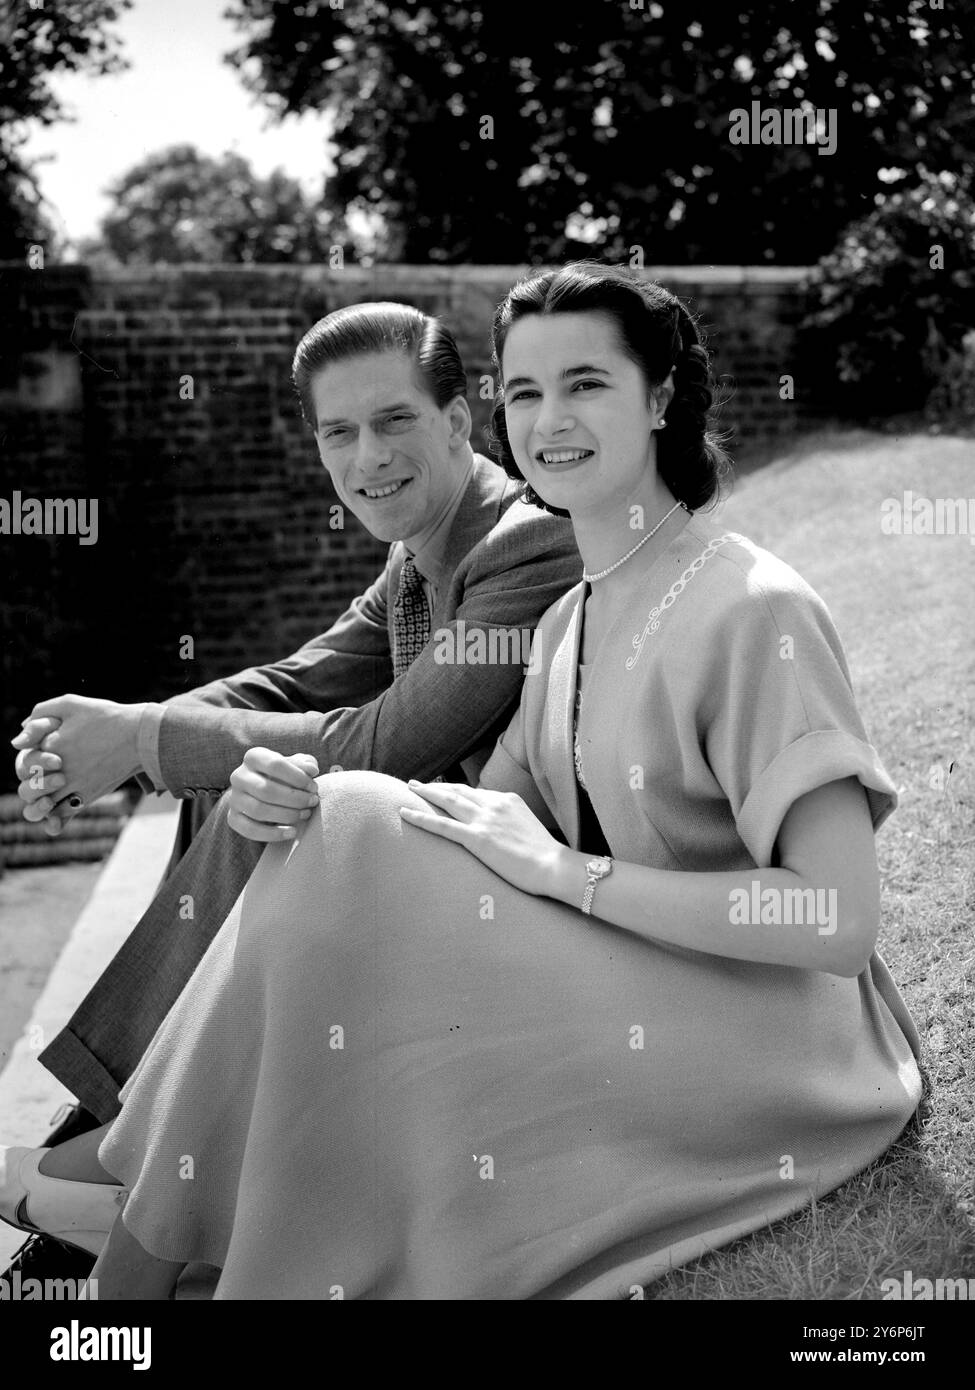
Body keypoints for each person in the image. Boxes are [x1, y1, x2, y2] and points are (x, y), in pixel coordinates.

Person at [6, 263, 922, 1300]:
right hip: (631, 972)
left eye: (586, 384)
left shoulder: (756, 606)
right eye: (525, 392)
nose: (549, 419)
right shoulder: (573, 618)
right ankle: (150, 1222)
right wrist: (300, 799)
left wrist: (573, 882)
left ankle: (124, 1238)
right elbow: (493, 815)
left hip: (780, 1045)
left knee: (351, 822)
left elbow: (837, 919)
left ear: (660, 397)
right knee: (335, 815)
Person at [1, 302, 579, 1265]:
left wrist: (147, 737)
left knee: (257, 790)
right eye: (337, 432)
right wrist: (108, 740)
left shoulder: (527, 544)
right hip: (428, 888)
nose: (367, 458)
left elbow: (383, 740)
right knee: (234, 776)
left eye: (393, 421)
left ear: (456, 422)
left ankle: (101, 1165)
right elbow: (293, 682)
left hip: (519, 918)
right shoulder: (415, 557)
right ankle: (107, 1160)